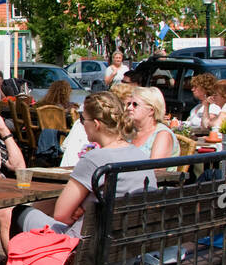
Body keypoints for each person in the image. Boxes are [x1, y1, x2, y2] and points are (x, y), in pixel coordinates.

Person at [10, 91, 157, 238]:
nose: (81, 124)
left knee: (20, 212)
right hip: (125, 240)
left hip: (83, 243)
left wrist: (80, 209)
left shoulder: (94, 159)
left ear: (96, 124)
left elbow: (61, 215)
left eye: (82, 119)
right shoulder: (140, 156)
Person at [125, 86, 176, 159]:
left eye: (135, 104)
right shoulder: (130, 130)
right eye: (129, 104)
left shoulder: (163, 135)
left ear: (151, 110)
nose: (129, 108)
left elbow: (156, 166)